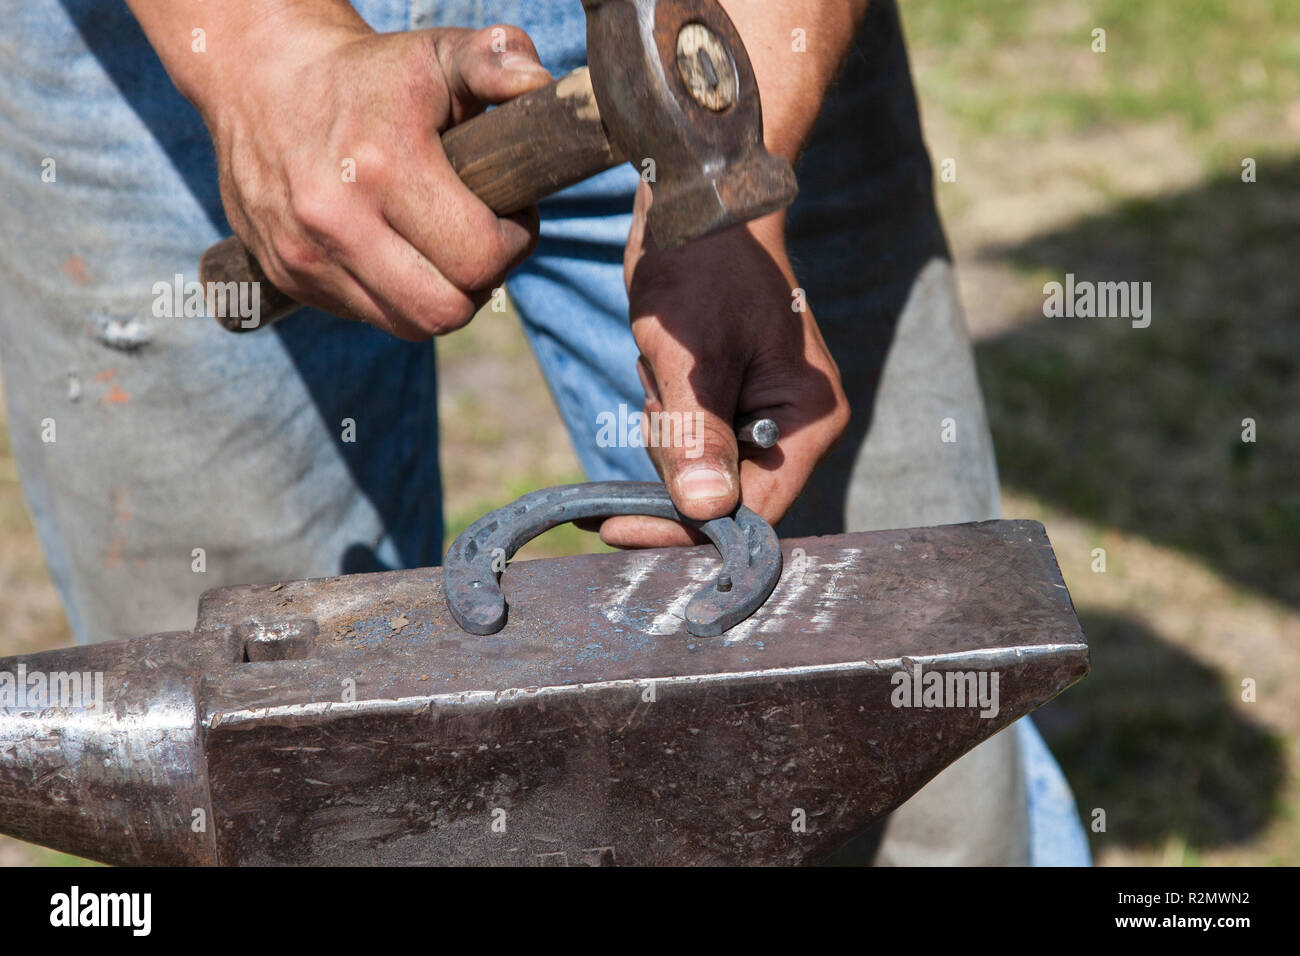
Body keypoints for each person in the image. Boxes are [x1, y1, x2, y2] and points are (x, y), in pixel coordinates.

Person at [0, 0, 1089, 865]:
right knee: (256, 759)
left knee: (913, 742)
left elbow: (713, 109)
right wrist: (252, 50)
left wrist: (743, 171)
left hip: (730, 20)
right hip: (144, 56)